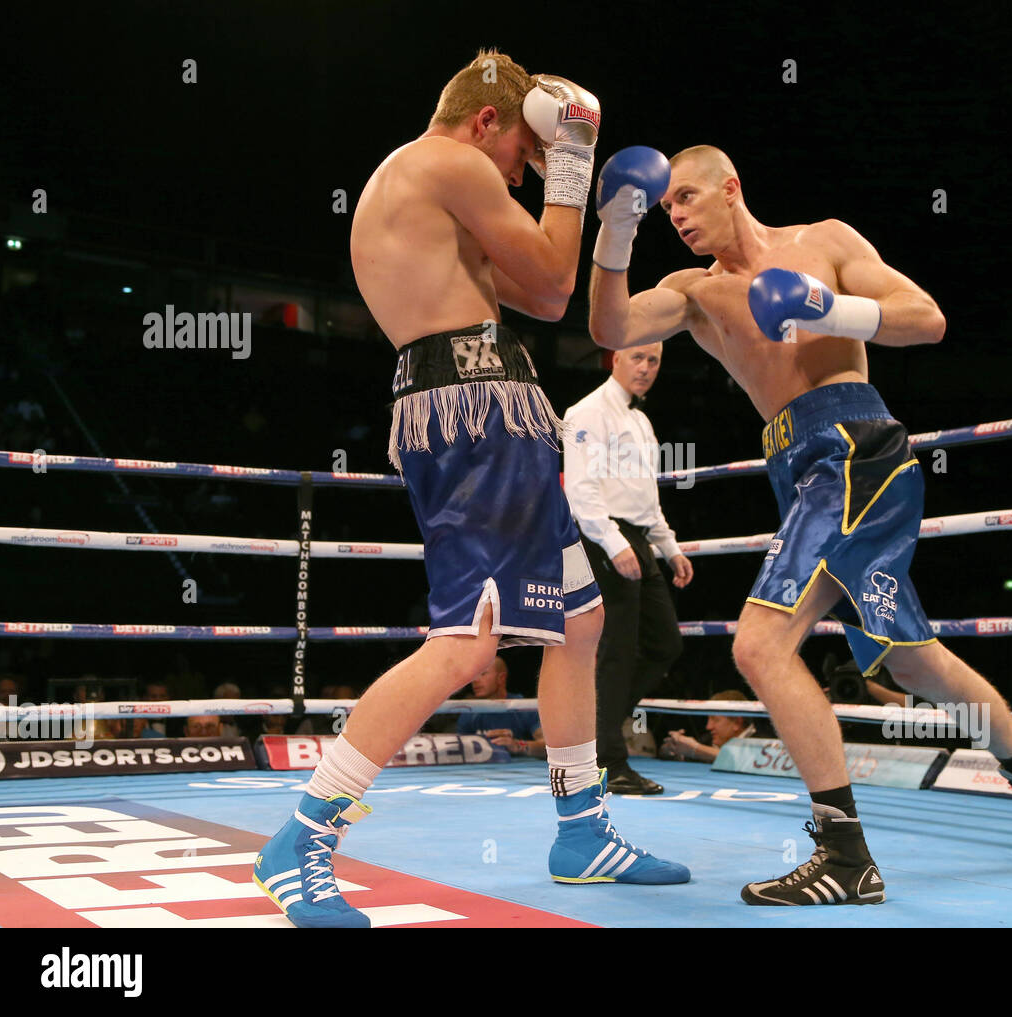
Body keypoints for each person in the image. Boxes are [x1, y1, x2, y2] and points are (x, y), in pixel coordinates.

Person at [587, 143, 1012, 906]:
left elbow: (927, 319)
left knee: (760, 644)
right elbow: (612, 322)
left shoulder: (823, 240)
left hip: (856, 449)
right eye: (664, 208)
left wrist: (829, 309)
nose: (676, 216)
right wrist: (615, 229)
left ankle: (845, 854)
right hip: (801, 472)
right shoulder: (693, 290)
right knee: (915, 664)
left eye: (686, 197)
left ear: (731, 187)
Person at [253, 51, 688, 930]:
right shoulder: (446, 161)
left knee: (581, 620)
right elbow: (557, 276)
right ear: (487, 121)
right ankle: (301, 837)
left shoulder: (433, 189)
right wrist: (576, 156)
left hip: (491, 407)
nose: (523, 176)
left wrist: (606, 223)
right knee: (466, 644)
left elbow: (547, 298)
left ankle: (582, 829)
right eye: (523, 154)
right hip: (474, 413)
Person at [563, 342, 692, 794]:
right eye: (637, 357)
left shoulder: (641, 421)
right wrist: (613, 543)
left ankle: (593, 730)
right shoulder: (587, 412)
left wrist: (670, 548)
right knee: (616, 651)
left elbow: (647, 497)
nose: (645, 367)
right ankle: (608, 762)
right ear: (615, 358)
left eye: (653, 360)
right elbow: (580, 491)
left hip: (638, 539)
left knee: (665, 645)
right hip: (604, 537)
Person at [456, 654, 547, 758]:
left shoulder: (522, 708)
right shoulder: (470, 712)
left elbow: (547, 746)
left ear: (501, 678)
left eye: (483, 674)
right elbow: (460, 749)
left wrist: (517, 745)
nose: (475, 680)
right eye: (474, 675)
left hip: (524, 766)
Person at [663, 689, 757, 763]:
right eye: (708, 719)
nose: (708, 727)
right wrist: (673, 747)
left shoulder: (762, 740)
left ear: (737, 723)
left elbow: (747, 760)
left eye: (715, 720)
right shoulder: (708, 740)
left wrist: (697, 750)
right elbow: (671, 755)